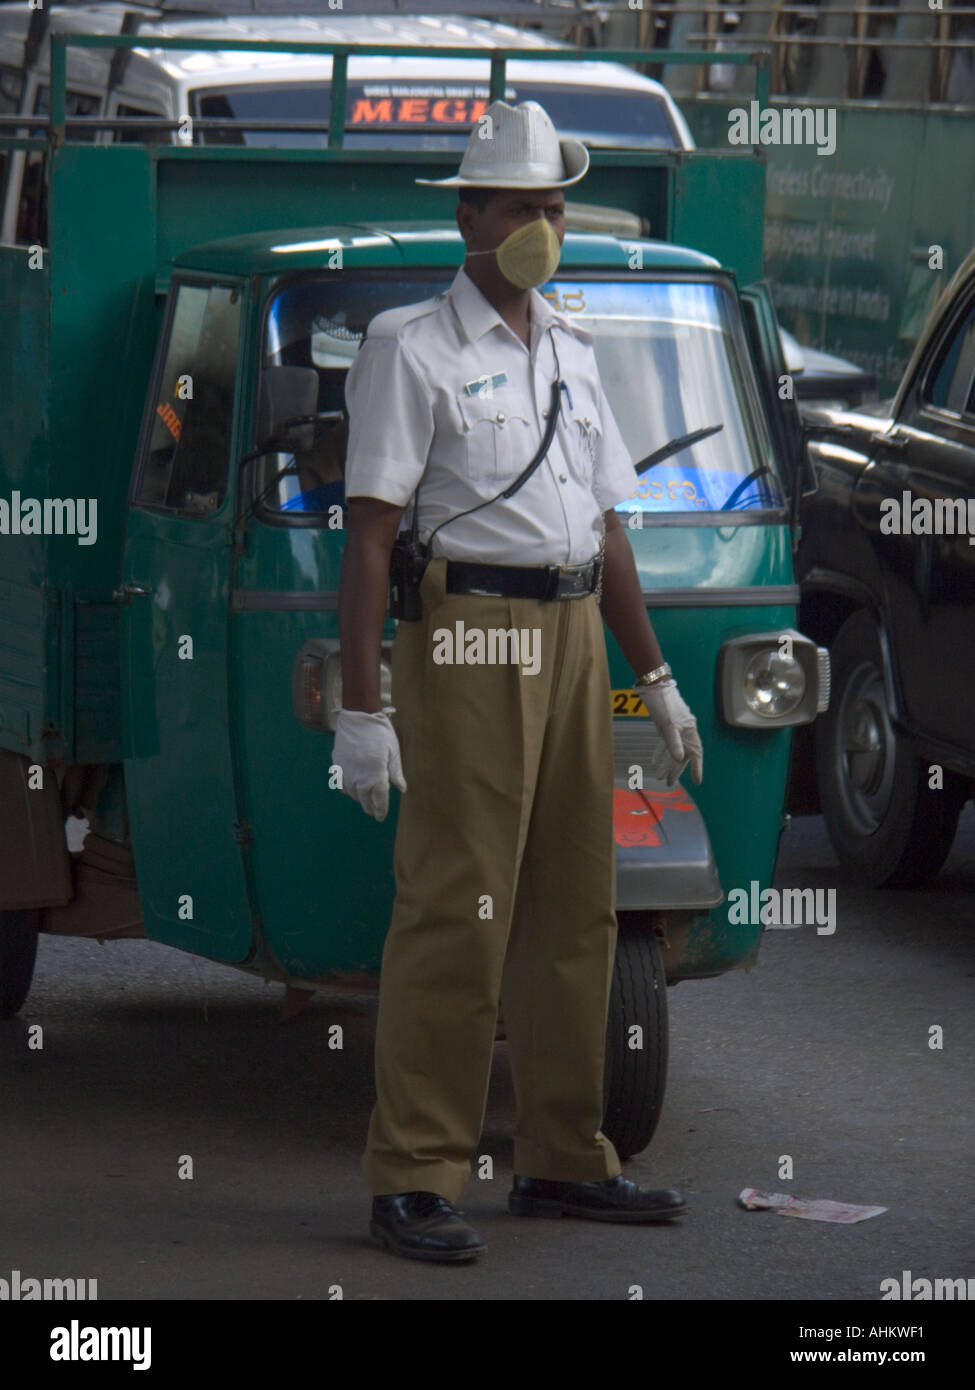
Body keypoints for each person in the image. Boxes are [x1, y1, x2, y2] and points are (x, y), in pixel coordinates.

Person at [333, 100, 703, 1263]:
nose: (543, 224)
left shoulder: (574, 349)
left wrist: (659, 674)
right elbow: (371, 538)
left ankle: (561, 1152)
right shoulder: (413, 346)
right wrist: (360, 708)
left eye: (553, 204)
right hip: (471, 635)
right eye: (520, 206)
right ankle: (415, 1174)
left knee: (574, 904)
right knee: (460, 904)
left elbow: (606, 527)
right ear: (468, 216)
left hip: (577, 630)